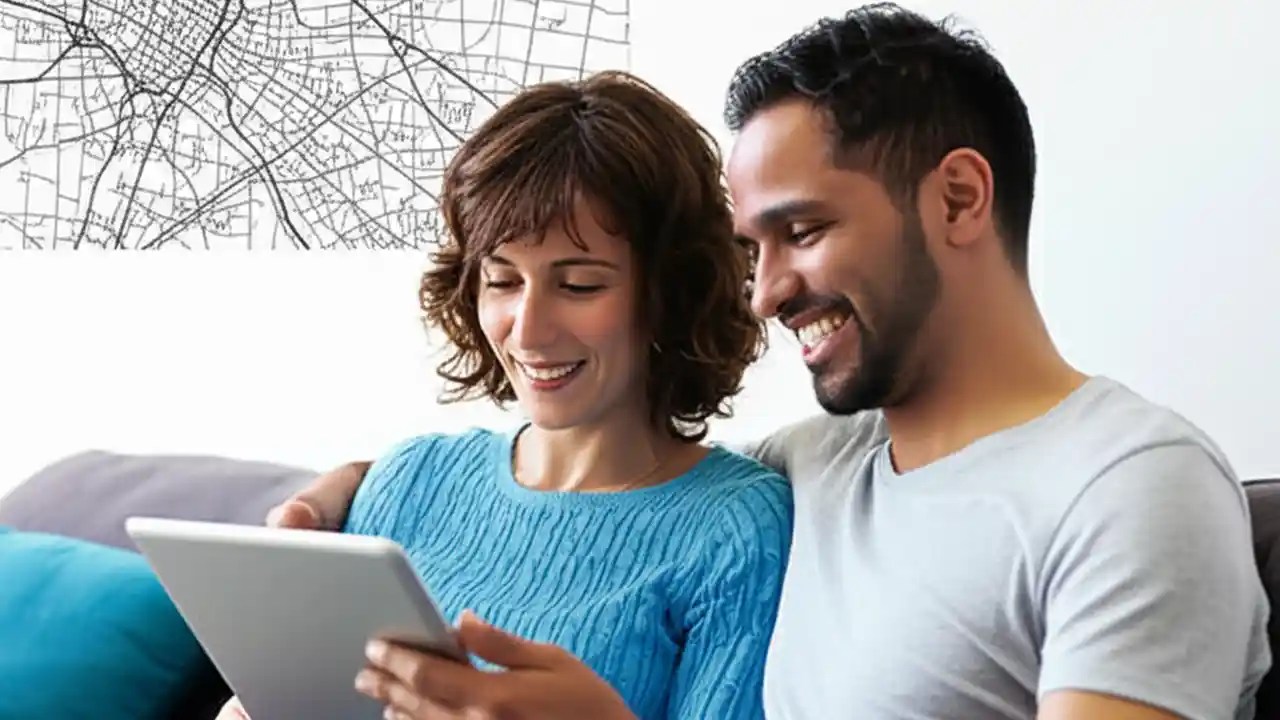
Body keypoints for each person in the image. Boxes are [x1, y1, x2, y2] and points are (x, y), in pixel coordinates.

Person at [268, 4, 1272, 720]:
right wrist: (351, 494)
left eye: (802, 230)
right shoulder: (810, 469)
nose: (762, 290)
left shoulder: (1132, 486)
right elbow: (607, 482)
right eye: (752, 248)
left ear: (959, 200)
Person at [217, 70, 792, 720]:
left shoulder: (734, 531)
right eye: (502, 280)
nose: (529, 329)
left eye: (578, 285)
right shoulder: (409, 480)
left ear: (671, 295)